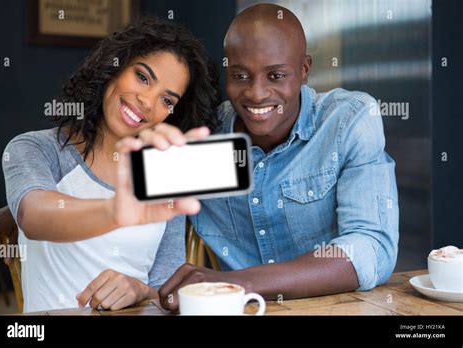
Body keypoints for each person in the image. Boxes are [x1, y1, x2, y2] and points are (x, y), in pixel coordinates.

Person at [154, 3, 399, 312]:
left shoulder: (346, 122)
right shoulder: (205, 138)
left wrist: (239, 283)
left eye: (276, 75)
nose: (257, 94)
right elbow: (157, 249)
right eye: (240, 75)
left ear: (305, 70)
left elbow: (372, 248)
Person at [0, 16, 221, 312]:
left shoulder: (164, 173)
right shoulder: (37, 149)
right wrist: (114, 211)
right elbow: (33, 214)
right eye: (142, 77)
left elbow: (167, 291)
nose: (147, 102)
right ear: (112, 68)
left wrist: (139, 289)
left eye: (167, 100)